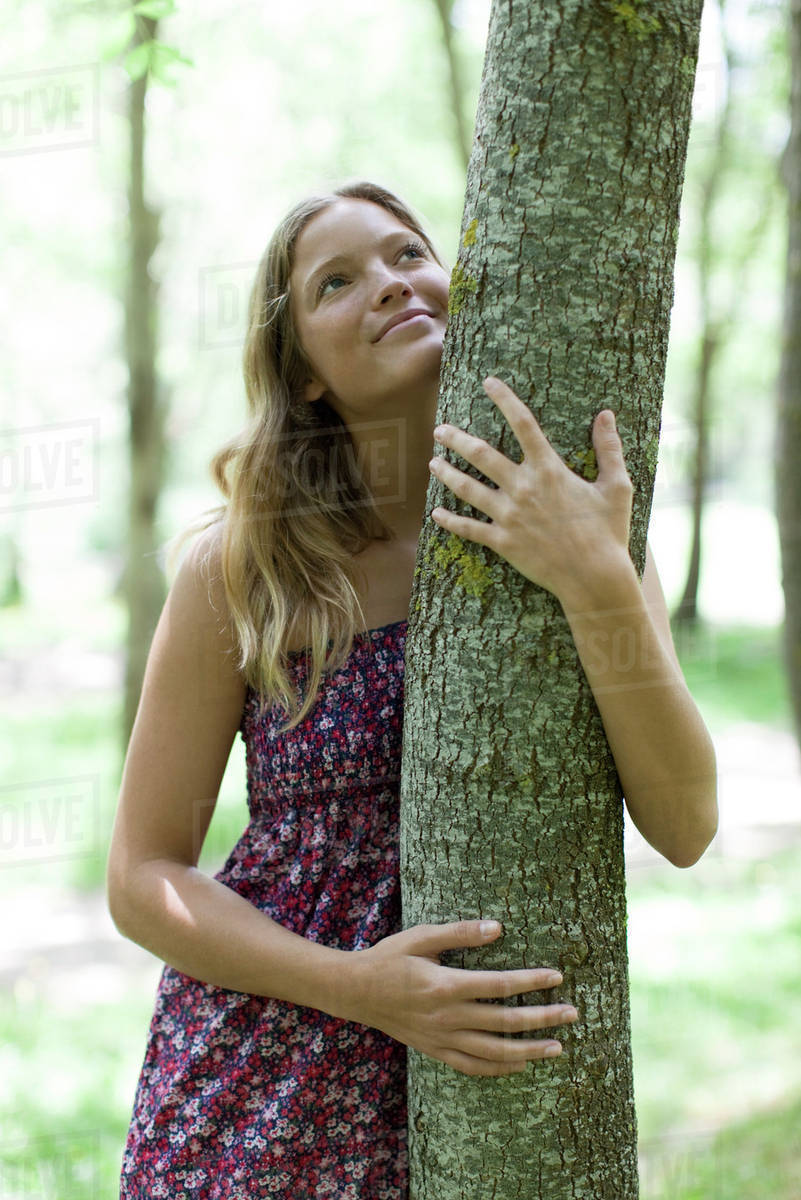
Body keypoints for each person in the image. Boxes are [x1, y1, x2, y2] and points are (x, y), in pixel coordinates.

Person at [107, 180, 718, 1199]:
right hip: (266, 1084)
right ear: (301, 372)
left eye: (406, 254)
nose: (388, 285)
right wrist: (359, 987)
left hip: (489, 1105)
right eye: (337, 282)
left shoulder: (583, 522)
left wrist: (593, 574)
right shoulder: (243, 566)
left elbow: (688, 823)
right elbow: (142, 876)